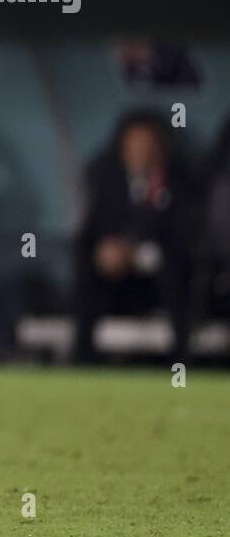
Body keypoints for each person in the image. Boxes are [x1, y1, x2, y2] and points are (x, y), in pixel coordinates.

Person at [74, 111, 195, 365]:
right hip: (119, 282)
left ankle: (180, 361)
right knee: (88, 277)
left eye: (146, 145)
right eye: (132, 145)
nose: (139, 152)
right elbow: (89, 235)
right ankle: (81, 359)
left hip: (162, 279)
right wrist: (103, 252)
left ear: (159, 148)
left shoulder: (178, 184)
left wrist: (137, 256)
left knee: (176, 277)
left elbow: (185, 242)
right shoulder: (108, 184)